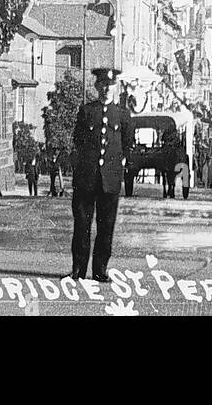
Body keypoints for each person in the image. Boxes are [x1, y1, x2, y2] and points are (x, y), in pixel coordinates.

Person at [70, 68, 133, 282]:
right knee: (82, 225)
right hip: (87, 179)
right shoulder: (86, 111)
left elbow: (127, 145)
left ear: (116, 88)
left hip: (110, 180)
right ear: (97, 87)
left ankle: (100, 270)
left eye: (111, 85)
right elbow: (78, 141)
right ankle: (78, 269)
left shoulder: (122, 114)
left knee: (106, 227)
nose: (107, 89)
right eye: (103, 85)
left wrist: (119, 168)